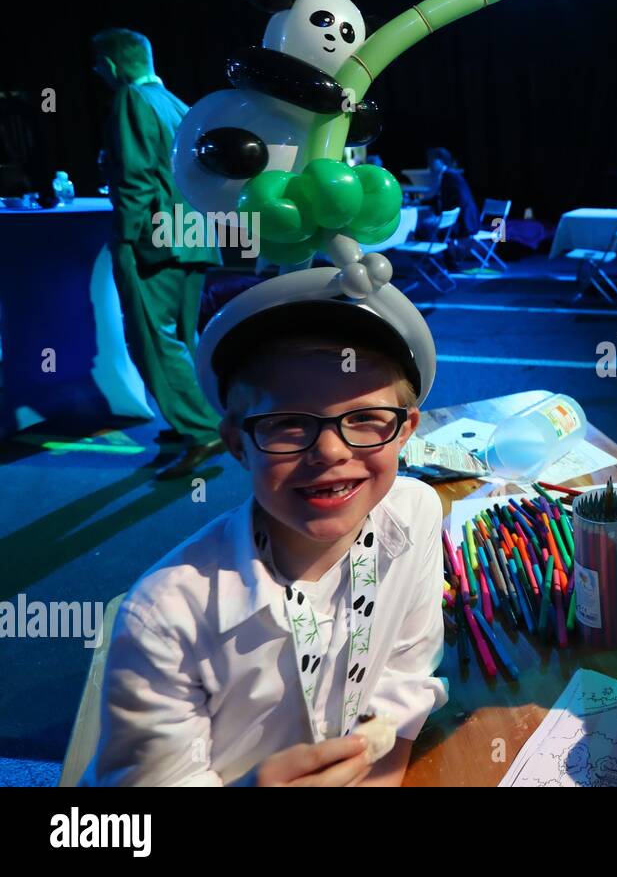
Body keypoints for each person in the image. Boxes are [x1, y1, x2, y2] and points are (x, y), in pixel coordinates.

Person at [81, 269, 447, 785]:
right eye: (288, 422)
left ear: (405, 429)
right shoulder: (165, 617)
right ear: (237, 442)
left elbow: (405, 668)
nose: (332, 452)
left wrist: (377, 764)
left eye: (365, 417)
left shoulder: (416, 513)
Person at [92, 28, 225, 478]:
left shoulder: (131, 99)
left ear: (111, 65)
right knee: (182, 338)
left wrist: (126, 238)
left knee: (152, 340)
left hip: (153, 239)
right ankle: (191, 417)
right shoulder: (179, 104)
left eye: (98, 67)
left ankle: (200, 429)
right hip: (191, 234)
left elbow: (134, 178)